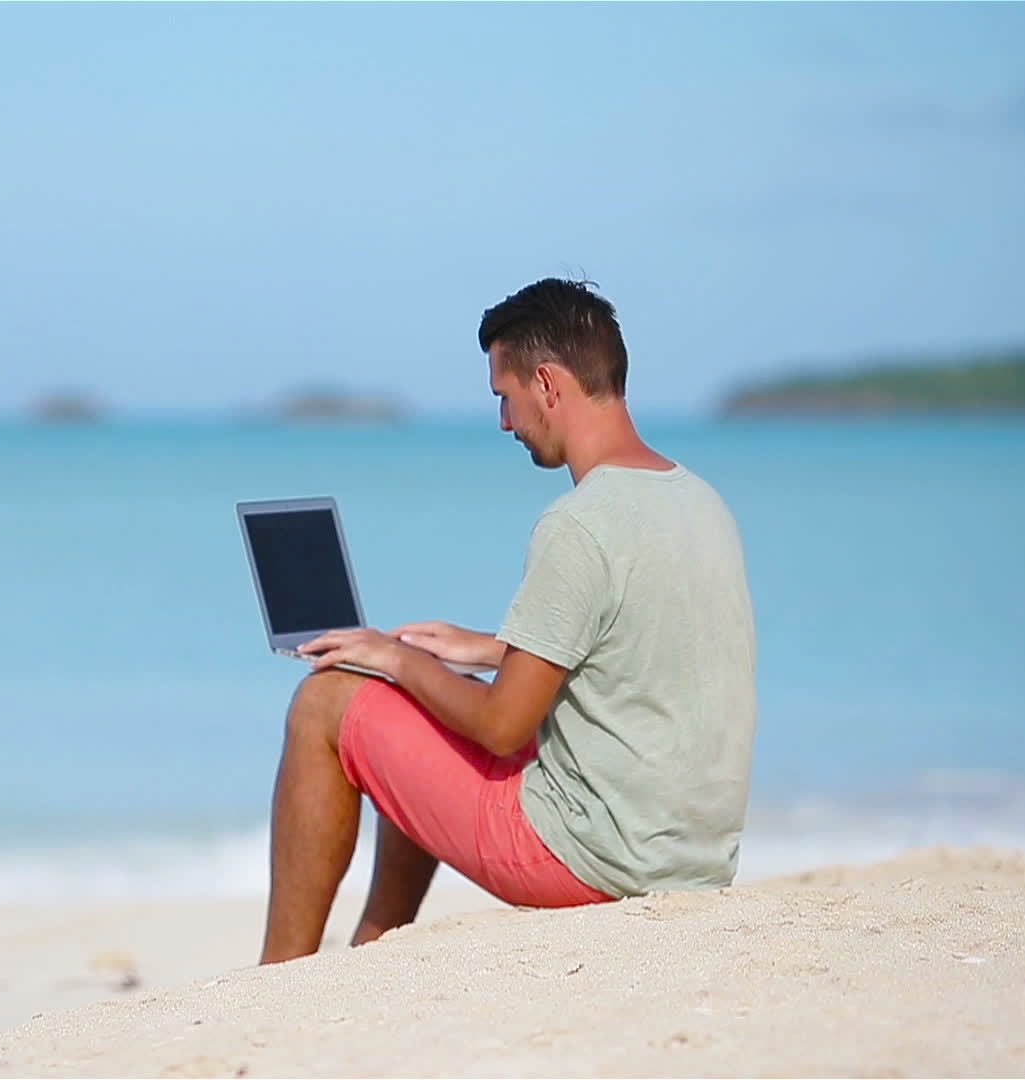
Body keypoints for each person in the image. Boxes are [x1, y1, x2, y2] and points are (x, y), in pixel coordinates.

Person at [260, 277, 756, 964]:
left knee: (324, 701)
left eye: (504, 395)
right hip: (691, 857)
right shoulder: (698, 501)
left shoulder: (580, 524)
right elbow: (647, 644)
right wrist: (494, 648)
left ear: (547, 384)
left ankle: (280, 973)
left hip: (597, 859)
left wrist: (394, 657)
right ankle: (370, 949)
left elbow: (501, 727)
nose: (503, 421)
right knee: (427, 696)